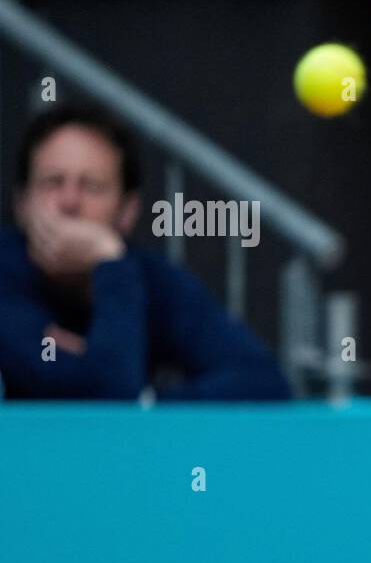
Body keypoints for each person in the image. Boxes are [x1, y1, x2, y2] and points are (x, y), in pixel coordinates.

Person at [0, 103, 290, 401]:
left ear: (128, 210)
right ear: (22, 203)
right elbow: (105, 395)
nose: (70, 201)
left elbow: (261, 380)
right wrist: (110, 378)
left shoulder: (147, 276)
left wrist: (109, 260)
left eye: (92, 186)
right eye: (53, 182)